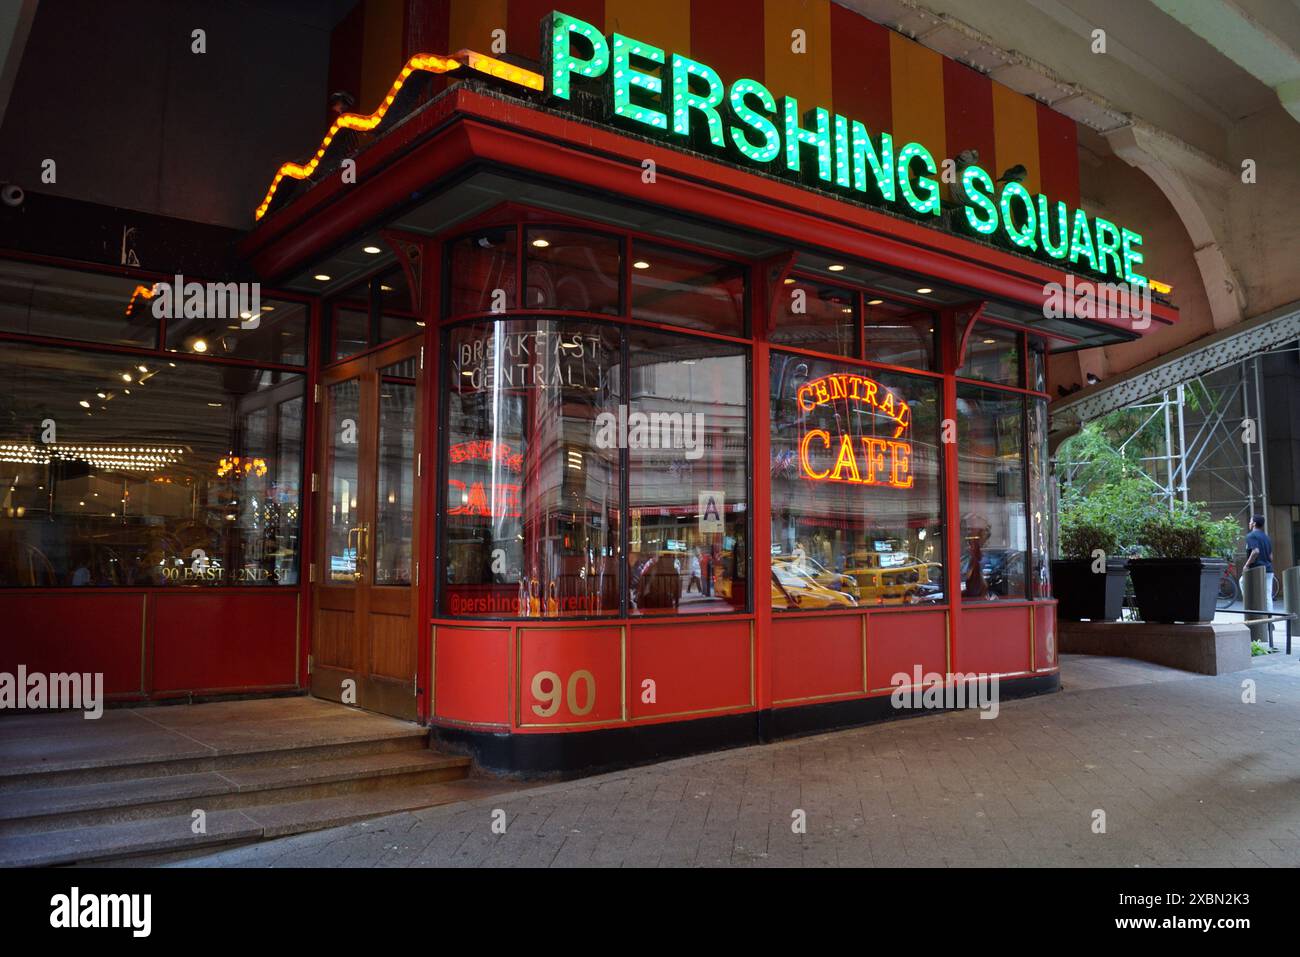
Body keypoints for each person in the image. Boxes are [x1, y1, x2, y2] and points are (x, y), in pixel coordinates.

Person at [1243, 514, 1275, 637]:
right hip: (1269, 569)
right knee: (1267, 595)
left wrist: (1246, 565)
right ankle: (1270, 622)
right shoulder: (1266, 537)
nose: (1249, 523)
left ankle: (1253, 603)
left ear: (1254, 523)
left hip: (1256, 570)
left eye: (1250, 521)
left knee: (1242, 582)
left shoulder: (1251, 536)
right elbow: (1271, 556)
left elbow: (1255, 551)